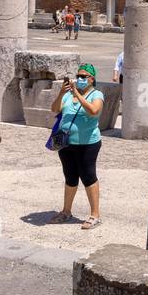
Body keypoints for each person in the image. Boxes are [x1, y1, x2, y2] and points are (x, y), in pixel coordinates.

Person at [47, 63, 104, 228]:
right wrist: (61, 93)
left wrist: (78, 94)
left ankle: (95, 215)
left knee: (88, 176)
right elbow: (54, 108)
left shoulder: (96, 94)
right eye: (78, 76)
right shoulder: (67, 95)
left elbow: (94, 111)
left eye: (83, 76)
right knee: (70, 176)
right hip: (66, 143)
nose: (79, 79)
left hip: (88, 143)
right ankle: (66, 211)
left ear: (91, 79)